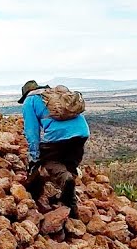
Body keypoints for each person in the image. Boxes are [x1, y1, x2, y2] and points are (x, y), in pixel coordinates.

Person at [18, 80, 90, 217]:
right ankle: (71, 208)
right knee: (68, 164)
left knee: (49, 161)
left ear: (26, 93)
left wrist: (35, 157)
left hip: (58, 136)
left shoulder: (30, 100)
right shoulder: (55, 94)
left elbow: (32, 132)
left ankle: (65, 181)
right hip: (82, 132)